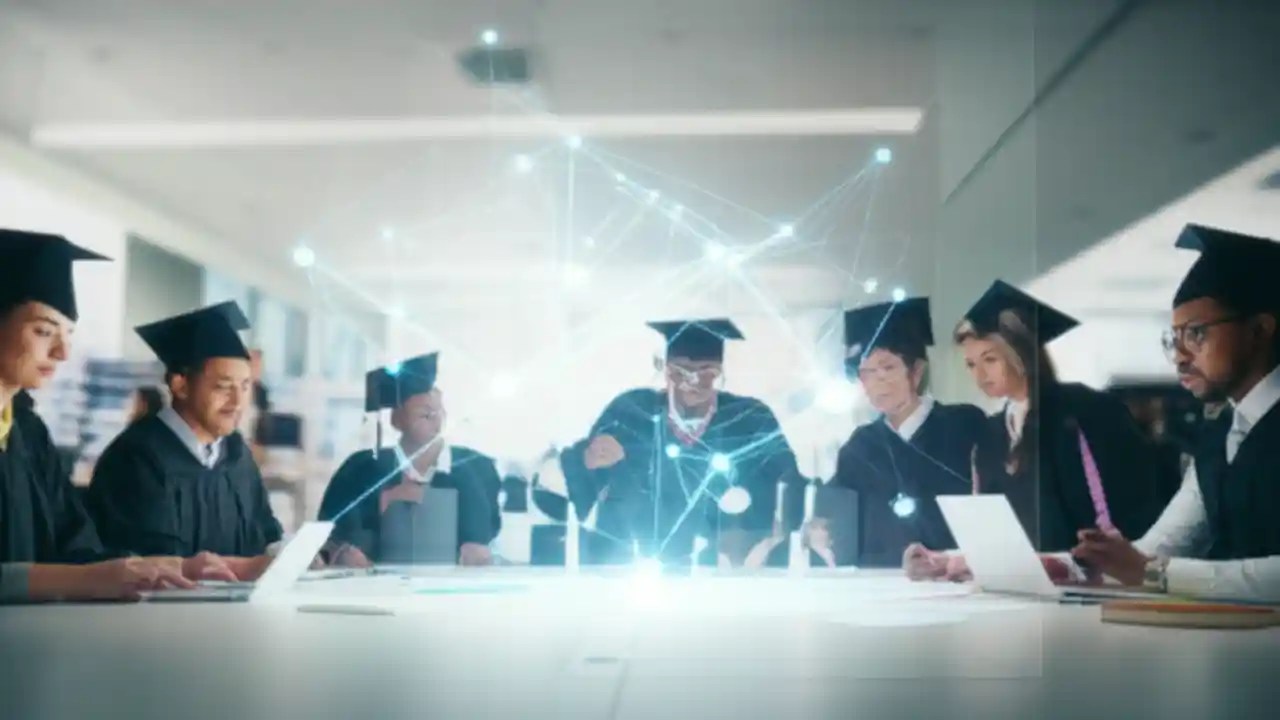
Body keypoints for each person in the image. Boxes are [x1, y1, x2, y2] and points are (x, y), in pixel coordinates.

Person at [0, 229, 222, 602]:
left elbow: (74, 546)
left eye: (69, 334)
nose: (61, 352)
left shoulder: (27, 432)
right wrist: (82, 581)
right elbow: (76, 576)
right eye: (43, 331)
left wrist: (171, 568)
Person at [1070, 224, 1280, 602]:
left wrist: (1155, 573)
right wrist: (1077, 566)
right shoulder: (1219, 438)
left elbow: (1156, 568)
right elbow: (1160, 549)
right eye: (1175, 338)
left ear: (1260, 329)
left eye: (1197, 333)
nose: (1181, 356)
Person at [905, 281, 1166, 580]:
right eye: (970, 364)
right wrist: (948, 561)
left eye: (990, 359)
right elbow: (996, 538)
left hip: (1094, 588)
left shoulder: (1084, 412)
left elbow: (1126, 512)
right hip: (1024, 588)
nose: (980, 374)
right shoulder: (991, 435)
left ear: (1022, 354)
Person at [559, 318, 805, 566]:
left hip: (719, 565)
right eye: (680, 372)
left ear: (720, 373)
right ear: (665, 370)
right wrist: (587, 460)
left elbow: (788, 483)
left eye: (706, 371)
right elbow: (579, 485)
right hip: (631, 562)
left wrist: (782, 534)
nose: (693, 382)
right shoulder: (630, 411)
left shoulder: (750, 418)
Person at [87, 302, 284, 581]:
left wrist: (291, 555)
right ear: (179, 385)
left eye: (244, 386)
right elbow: (124, 562)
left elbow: (265, 531)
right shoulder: (135, 458)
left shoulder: (238, 454)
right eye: (223, 386)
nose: (238, 402)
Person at [830, 297, 987, 567]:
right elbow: (837, 522)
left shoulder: (964, 425)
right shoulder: (859, 446)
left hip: (952, 581)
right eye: (866, 372)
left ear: (916, 371)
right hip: (879, 585)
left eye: (888, 367)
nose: (878, 381)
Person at [318, 353, 501, 567]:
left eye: (439, 411)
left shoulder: (475, 466)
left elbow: (487, 531)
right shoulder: (362, 468)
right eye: (424, 414)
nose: (435, 420)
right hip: (377, 584)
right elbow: (333, 532)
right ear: (397, 420)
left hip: (452, 585)